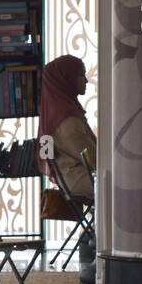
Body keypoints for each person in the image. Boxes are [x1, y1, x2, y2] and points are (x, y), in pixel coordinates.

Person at [39, 55, 96, 200]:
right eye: (81, 75)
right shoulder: (67, 120)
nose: (86, 80)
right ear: (68, 78)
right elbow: (92, 158)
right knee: (129, 179)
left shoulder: (55, 114)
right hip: (81, 178)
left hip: (70, 179)